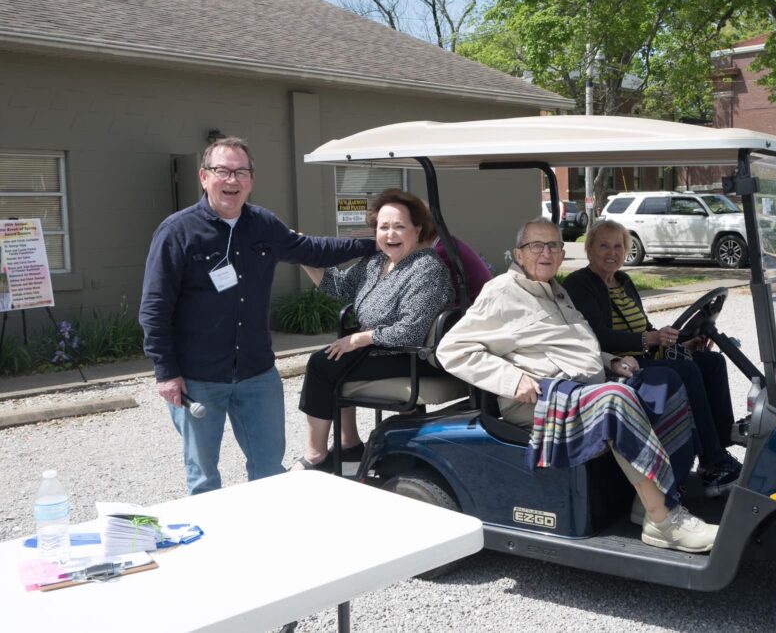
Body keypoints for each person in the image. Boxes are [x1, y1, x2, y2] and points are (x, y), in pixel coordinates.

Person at [436, 218, 718, 553]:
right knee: (616, 398)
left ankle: (657, 493)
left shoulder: (555, 290)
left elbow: (573, 345)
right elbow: (451, 349)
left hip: (581, 390)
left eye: (555, 245)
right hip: (541, 399)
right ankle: (663, 520)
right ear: (519, 254)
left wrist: (611, 360)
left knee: (666, 381)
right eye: (537, 246)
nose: (547, 252)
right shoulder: (502, 292)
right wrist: (512, 380)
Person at [140, 137, 376, 495]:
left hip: (257, 375)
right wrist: (166, 371)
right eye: (222, 171)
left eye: (240, 172)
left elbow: (311, 249)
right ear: (204, 177)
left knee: (269, 472)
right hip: (199, 377)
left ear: (251, 179)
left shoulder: (263, 224)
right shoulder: (177, 232)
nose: (231, 180)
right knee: (204, 479)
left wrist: (377, 242)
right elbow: (155, 306)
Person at [562, 220, 742, 498]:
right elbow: (596, 335)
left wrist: (681, 340)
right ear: (589, 249)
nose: (612, 252)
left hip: (641, 357)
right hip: (614, 366)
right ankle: (713, 460)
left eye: (618, 246)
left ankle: (716, 451)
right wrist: (648, 340)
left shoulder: (624, 281)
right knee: (686, 370)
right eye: (604, 246)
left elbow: (644, 327)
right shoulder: (580, 283)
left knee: (711, 362)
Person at [291, 189, 454, 471]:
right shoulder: (378, 262)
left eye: (399, 226)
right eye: (384, 227)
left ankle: (317, 456)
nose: (390, 234)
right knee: (334, 358)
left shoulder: (427, 267)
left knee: (323, 363)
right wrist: (303, 253)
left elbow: (410, 331)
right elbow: (339, 286)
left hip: (413, 355)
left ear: (417, 229)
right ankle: (349, 445)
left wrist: (358, 339)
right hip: (382, 348)